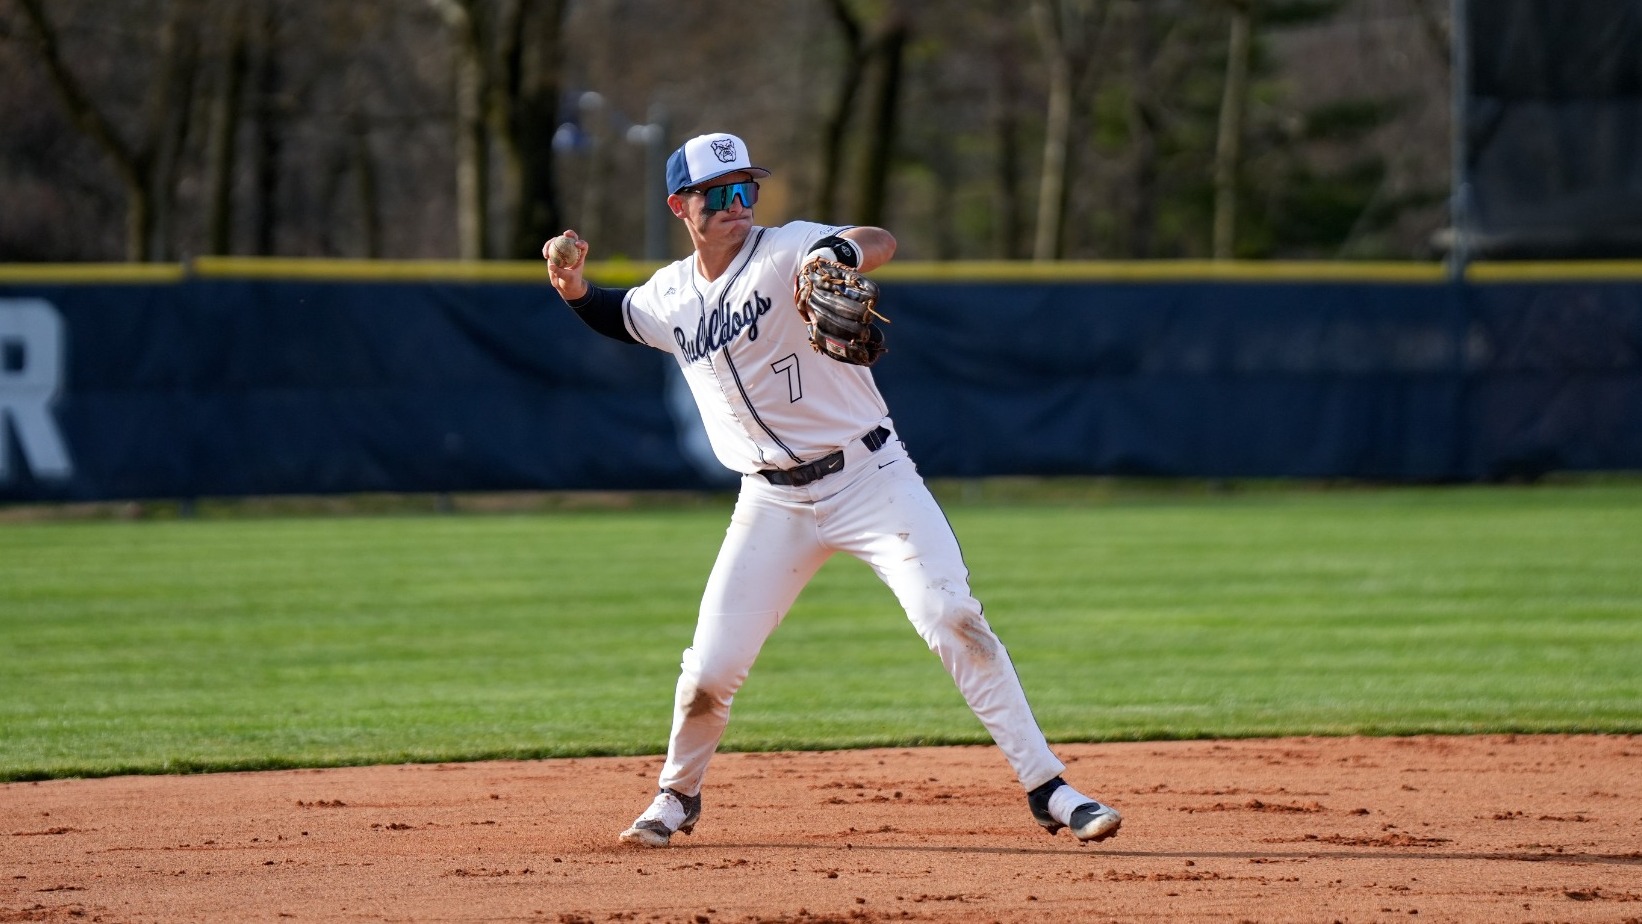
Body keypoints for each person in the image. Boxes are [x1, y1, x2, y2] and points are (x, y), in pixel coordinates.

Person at [543, 131, 1121, 848]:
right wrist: (570, 287)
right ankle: (675, 796)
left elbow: (875, 238)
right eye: (718, 194)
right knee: (709, 672)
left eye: (746, 188)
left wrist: (836, 255)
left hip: (871, 478)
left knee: (952, 618)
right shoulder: (671, 295)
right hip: (771, 504)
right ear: (679, 206)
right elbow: (619, 314)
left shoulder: (788, 250)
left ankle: (1050, 789)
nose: (737, 205)